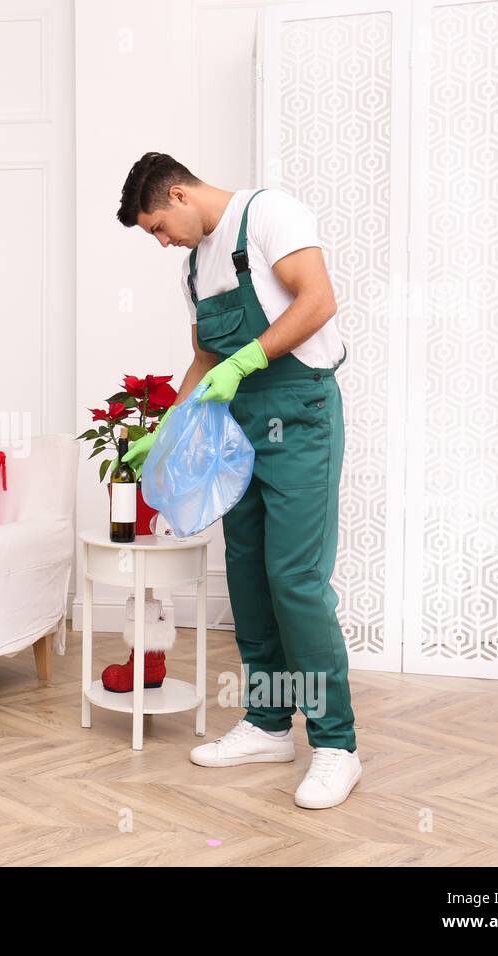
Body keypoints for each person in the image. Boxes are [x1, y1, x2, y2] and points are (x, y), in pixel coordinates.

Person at [117, 153, 360, 810]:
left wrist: (249, 357)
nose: (163, 242)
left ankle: (336, 744)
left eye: (159, 227)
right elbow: (203, 357)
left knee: (296, 581)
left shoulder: (269, 216)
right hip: (237, 430)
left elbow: (318, 300)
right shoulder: (195, 268)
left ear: (179, 193)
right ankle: (268, 723)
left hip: (300, 418)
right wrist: (165, 434)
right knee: (249, 576)